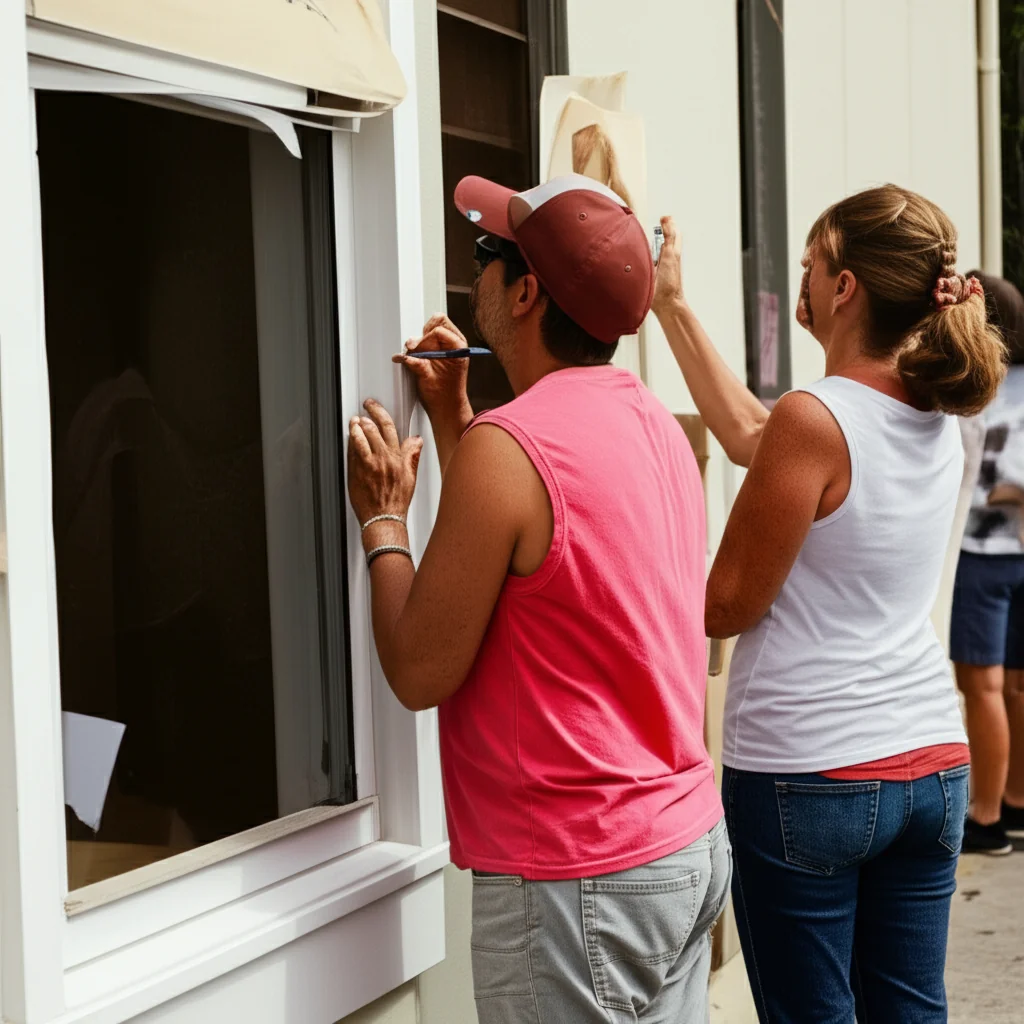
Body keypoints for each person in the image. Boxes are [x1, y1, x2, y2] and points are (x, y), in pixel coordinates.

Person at [346, 173, 729, 1023]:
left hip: (579, 876)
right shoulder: (653, 422)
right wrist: (457, 426)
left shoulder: (510, 447)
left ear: (525, 293)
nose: (470, 271)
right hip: (683, 843)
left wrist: (382, 522)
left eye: (486, 254)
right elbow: (531, 560)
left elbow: (418, 667)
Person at [651, 184, 1006, 1023]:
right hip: (929, 764)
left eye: (811, 264)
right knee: (912, 1012)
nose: (802, 279)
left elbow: (727, 602)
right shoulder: (945, 411)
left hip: (812, 775)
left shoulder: (815, 418)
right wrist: (671, 307)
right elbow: (753, 433)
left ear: (844, 287)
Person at [951, 271, 1024, 855]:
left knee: (984, 690)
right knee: (1016, 688)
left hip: (981, 553)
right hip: (1020, 556)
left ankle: (987, 815)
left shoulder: (980, 386)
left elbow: (1003, 478)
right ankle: (1017, 803)